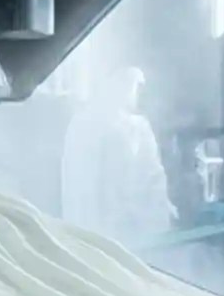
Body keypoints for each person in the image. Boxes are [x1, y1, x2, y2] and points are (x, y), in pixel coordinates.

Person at [60, 67, 176, 245]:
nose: (137, 93)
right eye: (135, 85)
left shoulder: (80, 122)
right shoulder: (132, 128)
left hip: (86, 237)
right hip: (121, 235)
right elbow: (147, 181)